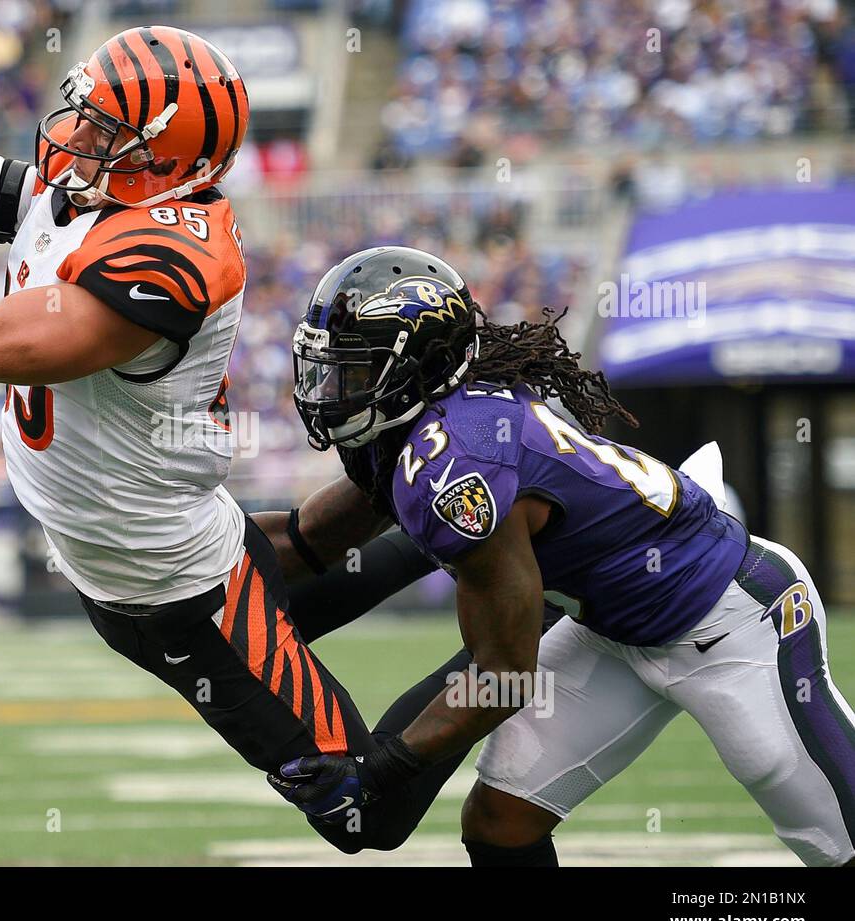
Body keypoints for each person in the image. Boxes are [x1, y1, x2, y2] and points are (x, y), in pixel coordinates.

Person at [0, 30, 467, 851]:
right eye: (84, 111)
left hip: (175, 581)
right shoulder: (93, 192)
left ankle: (525, 635)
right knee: (307, 550)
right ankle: (473, 541)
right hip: (147, 549)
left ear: (164, 156)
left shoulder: (169, 252)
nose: (75, 135)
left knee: (364, 812)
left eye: (105, 128)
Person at [270, 245, 855, 867]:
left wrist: (384, 768)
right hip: (608, 630)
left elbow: (503, 675)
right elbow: (311, 540)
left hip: (729, 616)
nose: (332, 390)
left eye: (356, 370)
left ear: (421, 366)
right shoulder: (420, 430)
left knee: (831, 841)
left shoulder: (462, 463)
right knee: (500, 823)